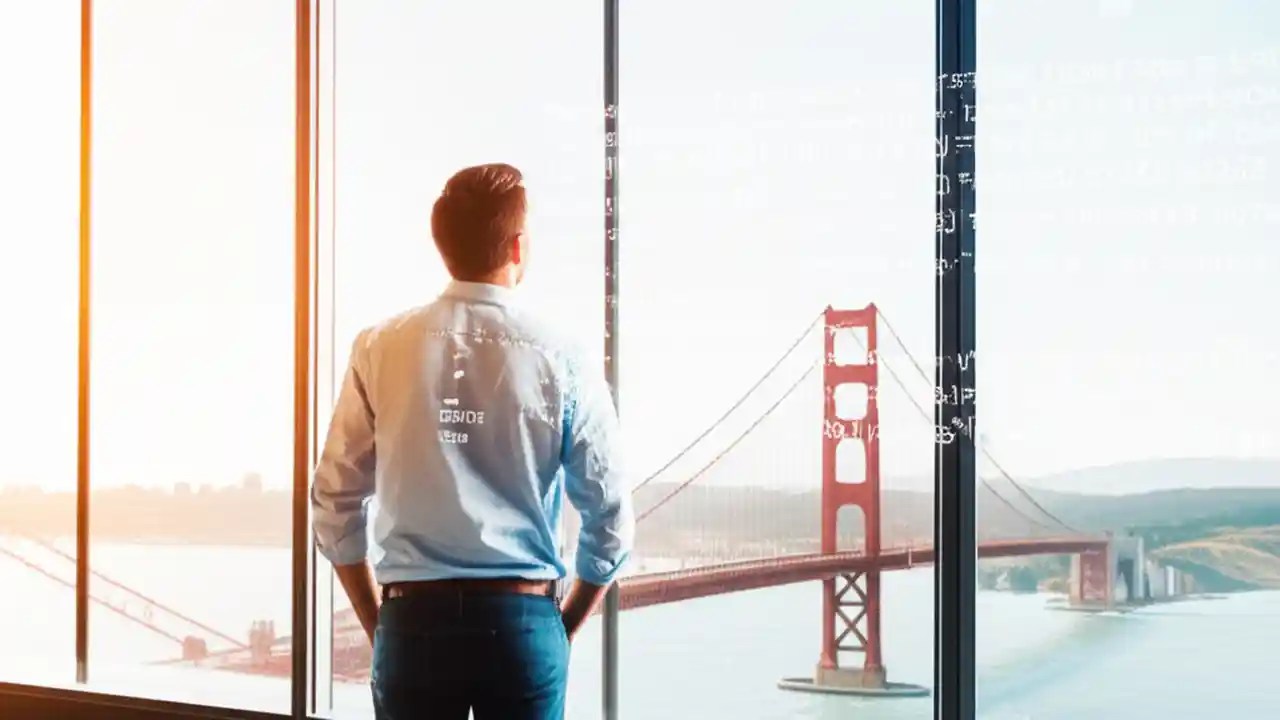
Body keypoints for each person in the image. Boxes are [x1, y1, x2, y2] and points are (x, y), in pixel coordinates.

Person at [311, 163, 634, 720]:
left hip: (411, 624)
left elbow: (333, 504)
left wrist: (379, 621)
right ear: (516, 245)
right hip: (523, 624)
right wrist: (560, 628)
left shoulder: (379, 346)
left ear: (443, 246)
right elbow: (610, 521)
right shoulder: (564, 355)